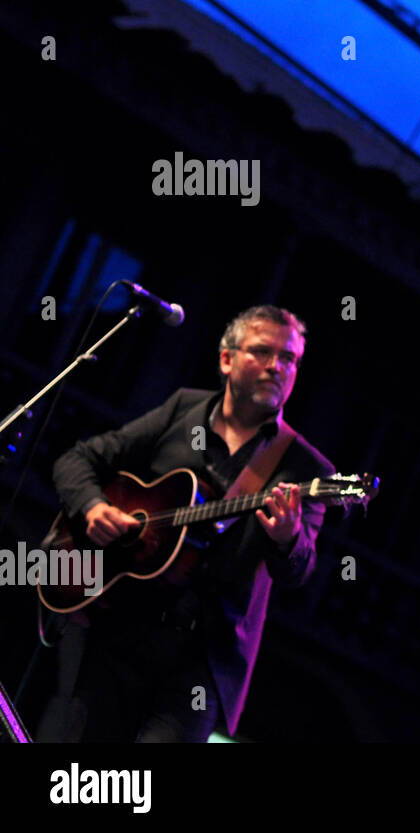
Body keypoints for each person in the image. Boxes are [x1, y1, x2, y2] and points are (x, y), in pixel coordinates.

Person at [38, 305, 334, 742]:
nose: (277, 366)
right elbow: (78, 459)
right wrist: (93, 507)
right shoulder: (183, 410)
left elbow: (298, 573)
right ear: (226, 359)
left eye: (289, 358)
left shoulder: (304, 467)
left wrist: (288, 539)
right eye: (262, 352)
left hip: (200, 662)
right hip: (117, 628)